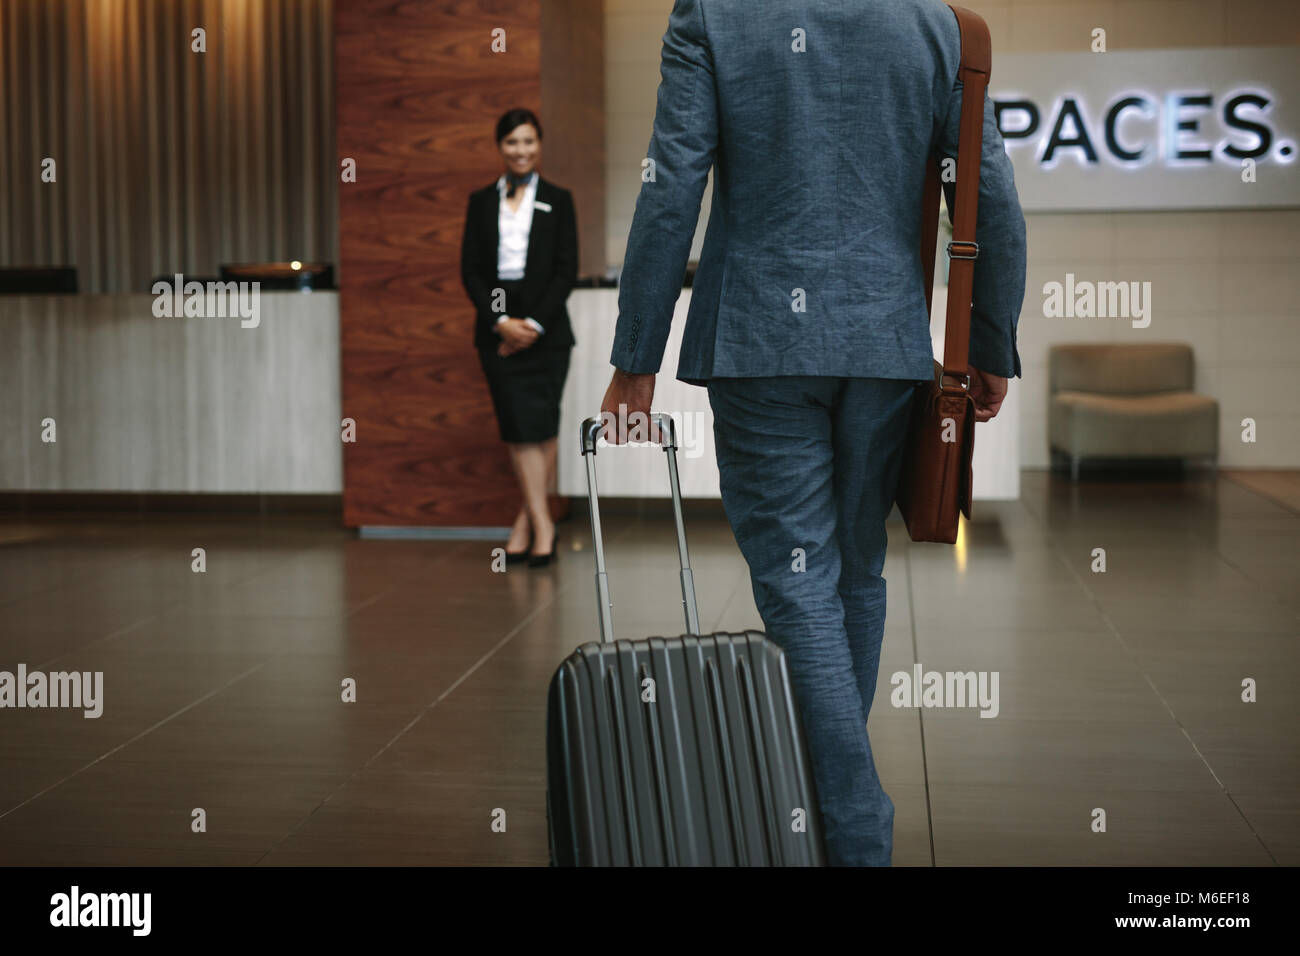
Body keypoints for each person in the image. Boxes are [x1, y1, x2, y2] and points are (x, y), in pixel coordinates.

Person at [599, 0, 1026, 864]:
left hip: (762, 340)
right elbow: (989, 190)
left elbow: (672, 177)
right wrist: (988, 344)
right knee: (853, 569)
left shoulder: (714, 16)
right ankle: (827, 802)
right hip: (882, 339)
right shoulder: (933, 24)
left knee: (798, 584)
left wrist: (637, 351)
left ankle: (853, 819)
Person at [461, 108, 578, 568]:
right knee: (519, 428)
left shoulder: (559, 199)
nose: (521, 150)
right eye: (512, 142)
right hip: (496, 328)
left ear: (540, 144)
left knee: (543, 425)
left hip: (548, 331)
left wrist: (531, 325)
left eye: (529, 141)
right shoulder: (480, 201)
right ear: (500, 147)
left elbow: (566, 270)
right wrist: (501, 322)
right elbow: (471, 270)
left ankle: (528, 524)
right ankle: (539, 522)